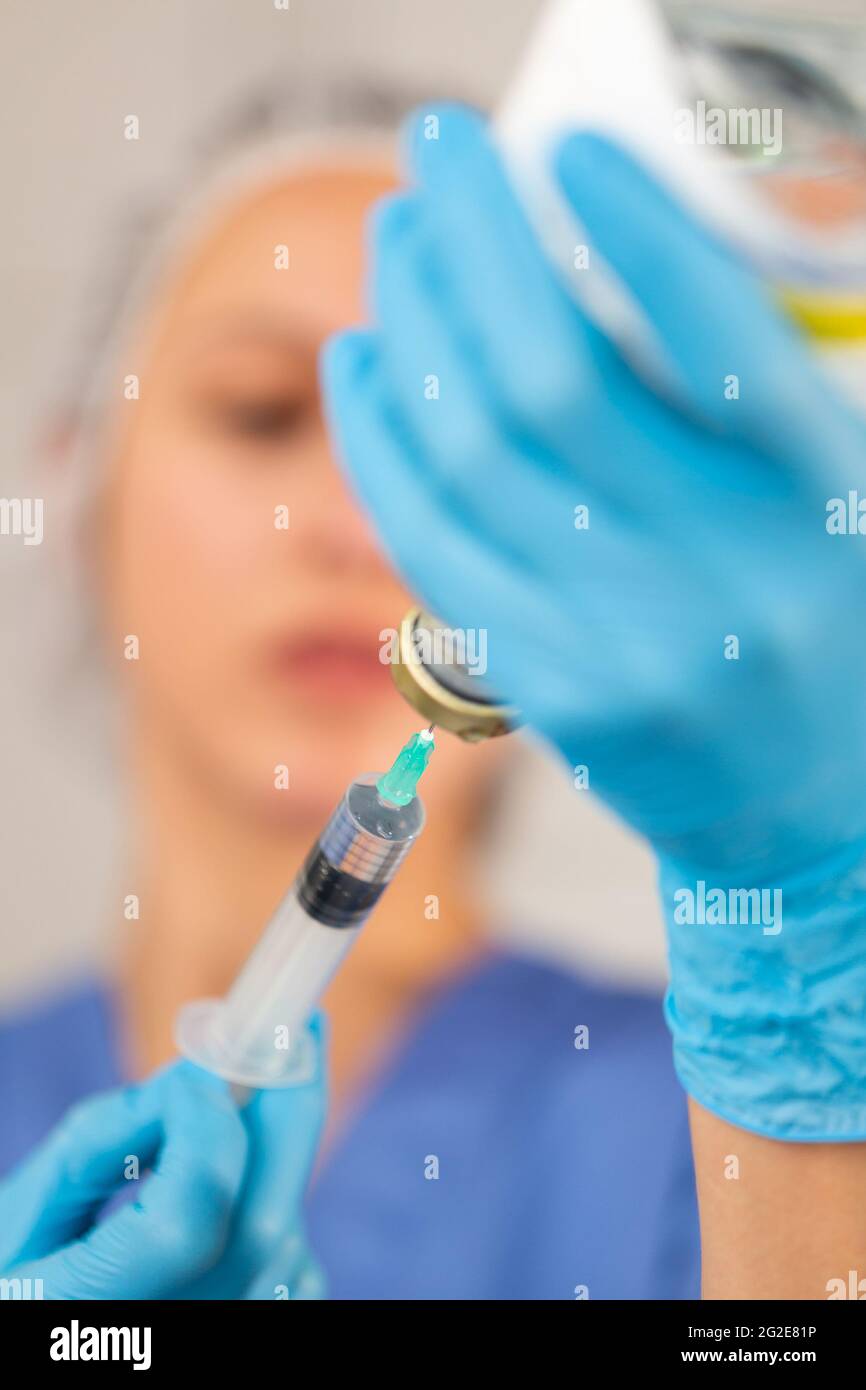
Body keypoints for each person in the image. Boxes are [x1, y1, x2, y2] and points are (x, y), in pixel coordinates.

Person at [0, 82, 700, 1301]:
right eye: (263, 412)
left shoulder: (734, 1144)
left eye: (445, 455)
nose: (348, 525)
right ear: (80, 488)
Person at [323, 102, 866, 1299]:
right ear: (76, 480)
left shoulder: (708, 1120)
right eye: (261, 412)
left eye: (520, 447)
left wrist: (794, 923)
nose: (402, 528)